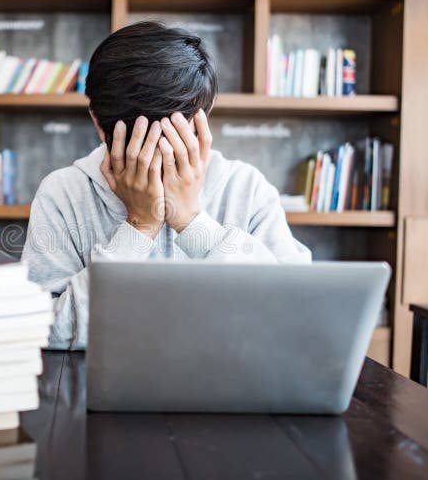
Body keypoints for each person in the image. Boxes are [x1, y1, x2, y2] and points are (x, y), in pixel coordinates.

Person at [21, 20, 311, 350]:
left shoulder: (246, 188)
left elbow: (293, 315)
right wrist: (139, 226)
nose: (155, 160)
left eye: (171, 138)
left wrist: (192, 221)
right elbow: (44, 330)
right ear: (98, 124)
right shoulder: (62, 194)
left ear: (206, 112)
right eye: (139, 142)